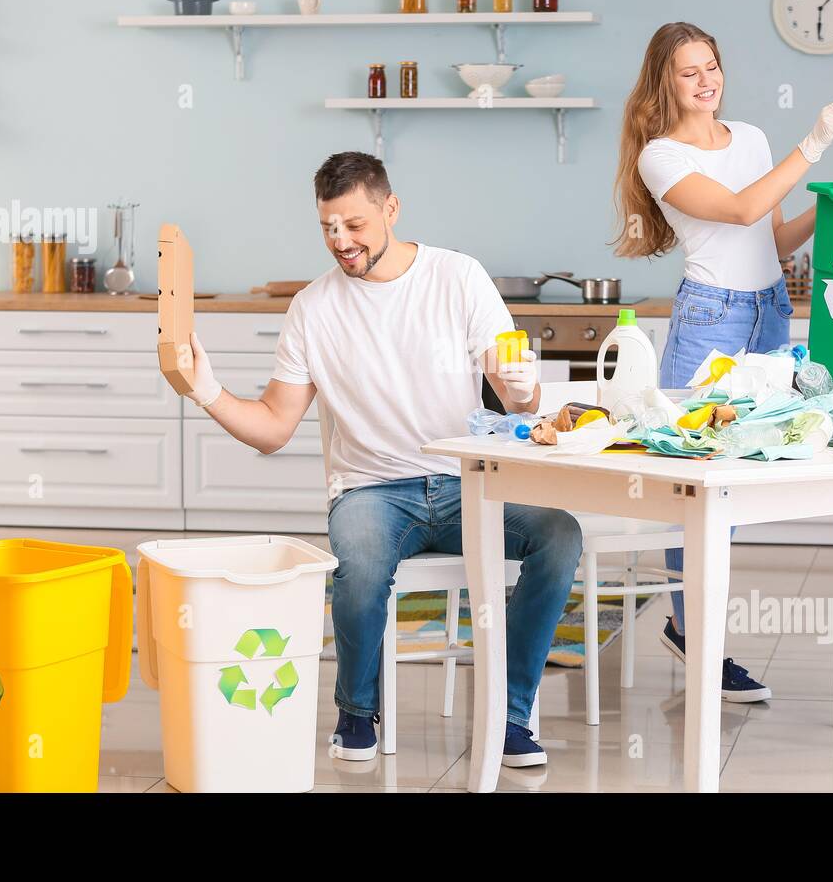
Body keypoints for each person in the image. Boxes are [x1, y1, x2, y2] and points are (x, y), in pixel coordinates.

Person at [180, 151, 582, 765]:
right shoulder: (313, 309)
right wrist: (204, 390)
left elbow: (519, 402)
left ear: (390, 208)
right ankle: (356, 711)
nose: (341, 241)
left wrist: (523, 385)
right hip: (370, 491)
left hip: (462, 482)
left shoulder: (458, 277)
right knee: (360, 567)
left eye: (355, 225)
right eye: (328, 228)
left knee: (559, 534)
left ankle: (509, 715)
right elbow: (272, 429)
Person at [613, 21, 833, 702]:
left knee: (750, 473)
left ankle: (692, 628)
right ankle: (694, 634)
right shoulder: (660, 157)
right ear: (665, 81)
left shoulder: (749, 139)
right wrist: (813, 143)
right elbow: (738, 207)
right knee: (691, 483)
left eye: (712, 66)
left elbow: (771, 232)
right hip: (710, 319)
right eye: (690, 71)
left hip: (769, 309)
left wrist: (832, 205)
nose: (706, 81)